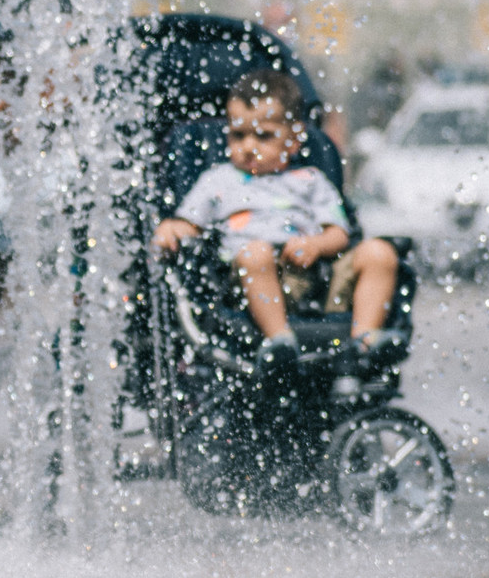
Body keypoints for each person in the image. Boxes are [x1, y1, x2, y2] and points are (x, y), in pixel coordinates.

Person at [154, 68, 402, 360]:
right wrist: (170, 228)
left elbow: (338, 234)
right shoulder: (218, 180)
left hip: (316, 277)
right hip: (250, 281)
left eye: (263, 136)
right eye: (237, 135)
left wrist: (316, 245)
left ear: (294, 139)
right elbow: (190, 225)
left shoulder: (310, 180)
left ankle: (366, 339)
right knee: (256, 254)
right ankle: (280, 340)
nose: (248, 147)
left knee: (380, 252)